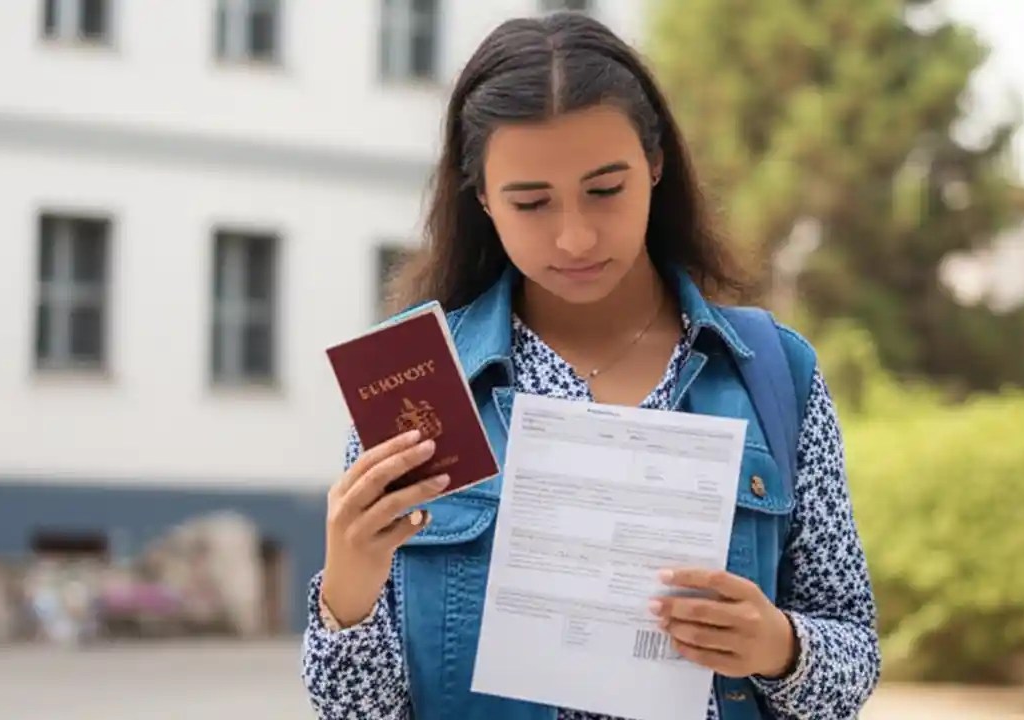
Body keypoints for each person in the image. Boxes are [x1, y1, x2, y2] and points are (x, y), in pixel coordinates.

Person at [302, 12, 880, 720]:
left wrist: (780, 647)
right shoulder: (417, 379)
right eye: (531, 202)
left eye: (605, 190)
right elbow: (356, 713)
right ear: (481, 196)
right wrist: (348, 591)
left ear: (656, 165)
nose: (574, 236)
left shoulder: (771, 371)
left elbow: (852, 654)